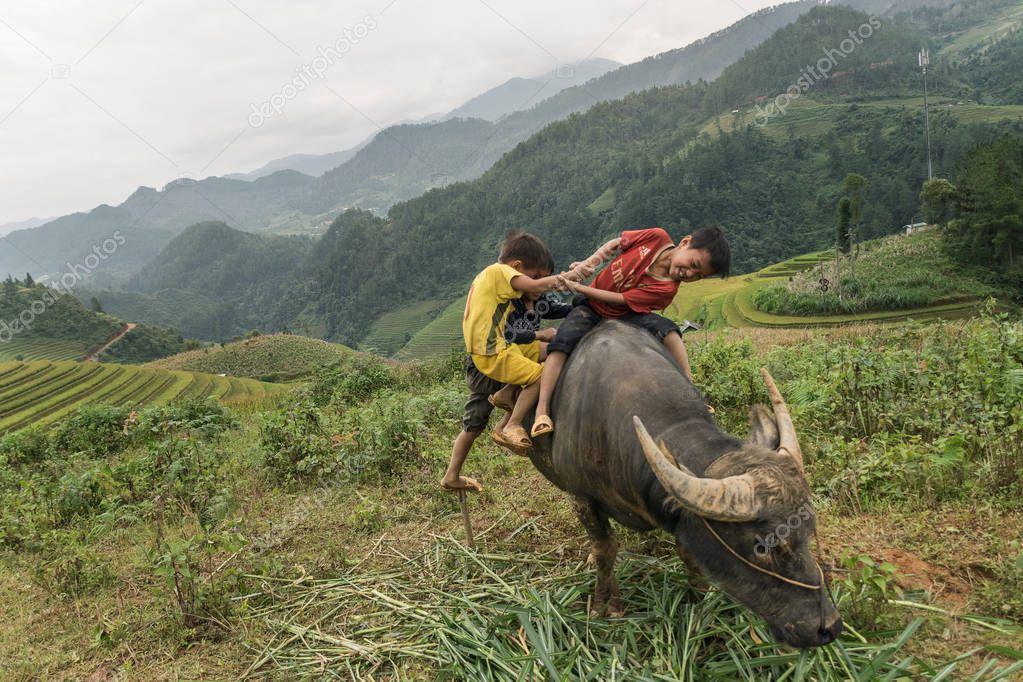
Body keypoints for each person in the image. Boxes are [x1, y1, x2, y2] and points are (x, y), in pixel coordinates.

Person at [531, 226, 731, 438]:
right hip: (590, 307)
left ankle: (691, 393)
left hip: (624, 313)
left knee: (670, 333)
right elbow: (615, 244)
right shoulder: (657, 237)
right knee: (561, 345)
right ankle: (542, 410)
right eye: (693, 264)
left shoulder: (666, 289)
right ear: (685, 242)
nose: (689, 274)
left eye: (697, 275)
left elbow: (620, 299)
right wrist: (587, 265)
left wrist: (578, 287)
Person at [440, 232, 578, 492]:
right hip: (490, 358)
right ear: (516, 267)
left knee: (550, 351)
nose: (536, 284)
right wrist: (565, 279)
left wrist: (587, 302)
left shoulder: (523, 295)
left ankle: (506, 399)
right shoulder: (501, 277)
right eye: (534, 276)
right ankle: (507, 427)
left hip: (503, 352)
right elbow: (515, 327)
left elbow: (557, 306)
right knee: (476, 422)